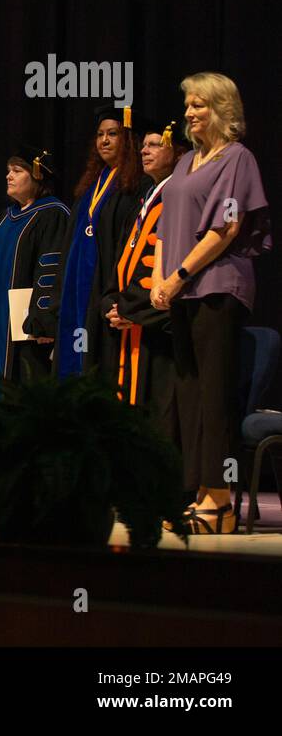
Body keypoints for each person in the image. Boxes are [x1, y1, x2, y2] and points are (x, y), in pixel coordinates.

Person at [153, 73, 271, 534]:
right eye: (187, 105)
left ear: (222, 108)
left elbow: (226, 230)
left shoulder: (237, 159)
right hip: (180, 292)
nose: (188, 113)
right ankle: (197, 492)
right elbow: (165, 228)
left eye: (198, 104)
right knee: (187, 395)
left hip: (217, 288)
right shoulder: (185, 164)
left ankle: (220, 501)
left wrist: (179, 277)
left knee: (214, 396)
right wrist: (161, 281)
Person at [0, 147, 70, 399]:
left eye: (17, 170)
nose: (8, 176)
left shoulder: (52, 214)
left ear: (37, 175)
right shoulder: (4, 217)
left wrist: (45, 321)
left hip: (27, 330)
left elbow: (52, 271)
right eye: (7, 171)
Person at [108, 118, 189, 432]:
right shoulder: (147, 199)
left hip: (160, 325)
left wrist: (130, 308)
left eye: (155, 145)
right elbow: (125, 260)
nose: (144, 151)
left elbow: (167, 262)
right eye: (143, 146)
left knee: (159, 414)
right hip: (134, 321)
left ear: (177, 151)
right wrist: (113, 303)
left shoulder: (177, 196)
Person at [52, 106, 145, 378]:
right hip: (77, 289)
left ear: (127, 139)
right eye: (100, 134)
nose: (104, 140)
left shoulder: (136, 185)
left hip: (104, 287)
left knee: (99, 365)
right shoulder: (89, 187)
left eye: (112, 134)